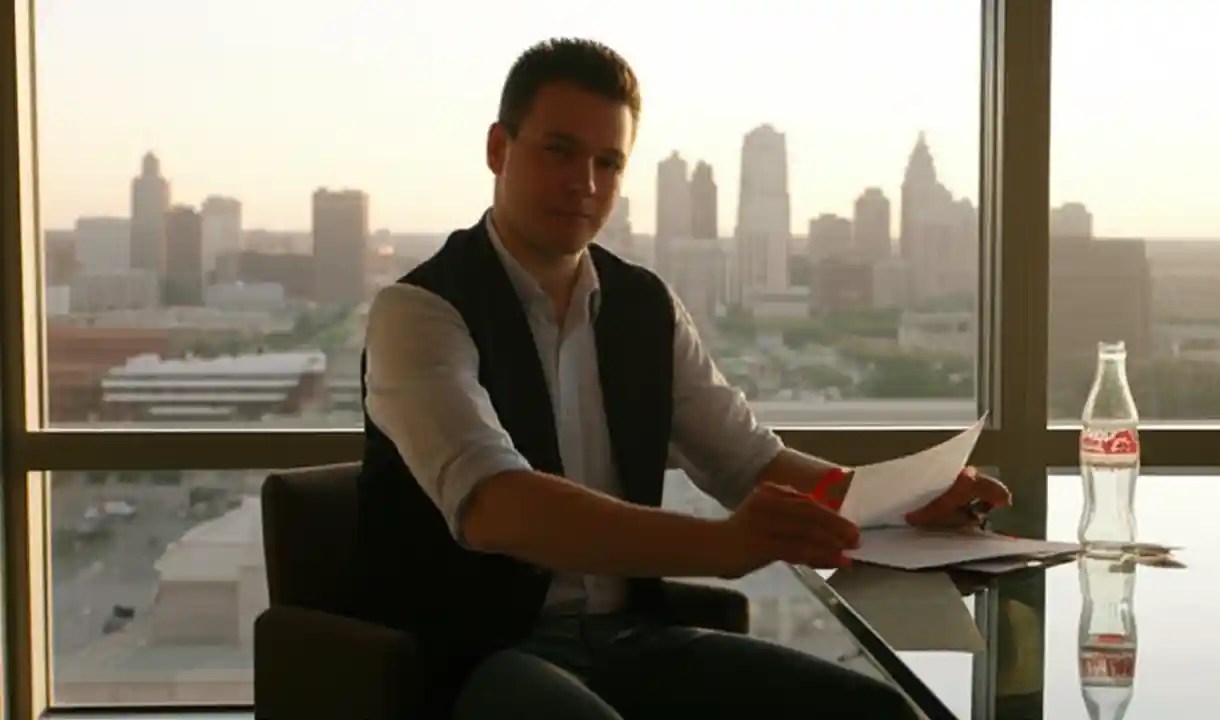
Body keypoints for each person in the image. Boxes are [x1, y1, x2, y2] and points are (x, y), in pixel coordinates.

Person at [354, 37, 1011, 719]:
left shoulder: (644, 307)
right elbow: (495, 506)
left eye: (608, 162)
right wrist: (724, 546)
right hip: (477, 656)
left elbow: (754, 464)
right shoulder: (419, 311)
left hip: (632, 641)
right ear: (498, 148)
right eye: (559, 150)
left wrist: (904, 504)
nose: (584, 182)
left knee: (877, 714)